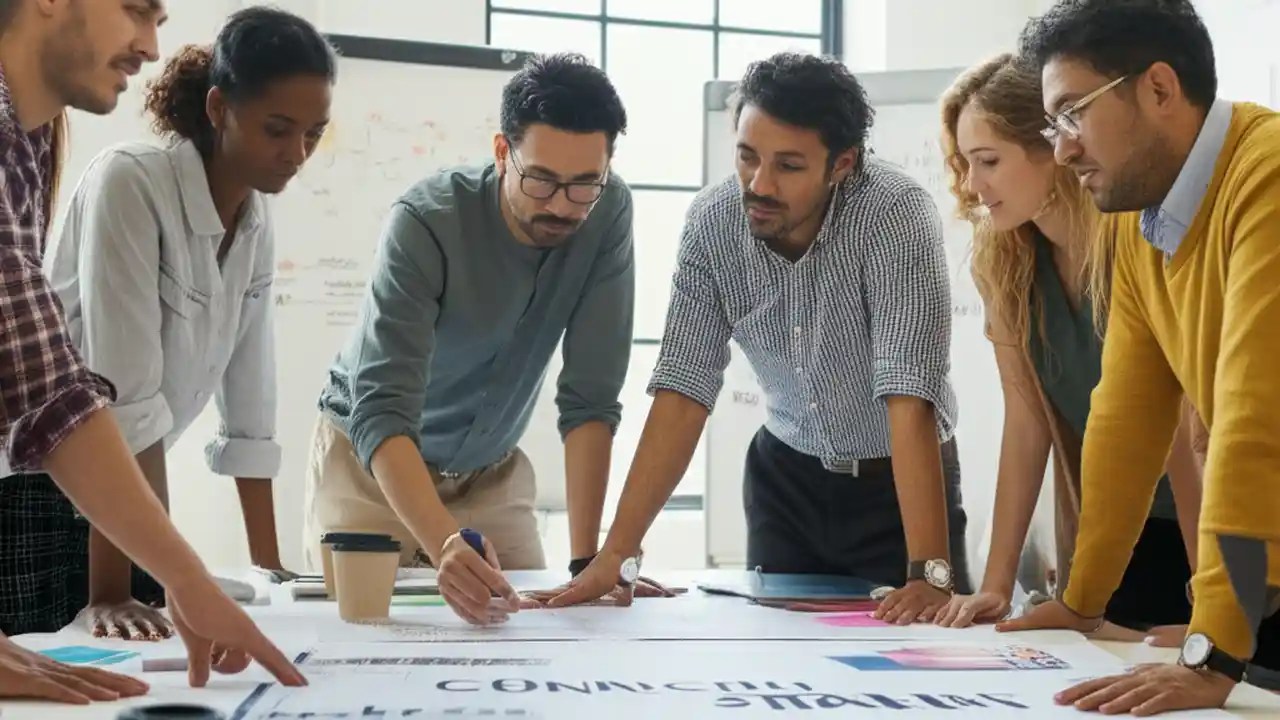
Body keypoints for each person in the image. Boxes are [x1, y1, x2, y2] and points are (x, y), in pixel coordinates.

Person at [530, 52, 970, 625]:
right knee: (781, 662)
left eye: (788, 166)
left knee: (923, 658)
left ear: (841, 164)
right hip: (785, 483)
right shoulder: (712, 224)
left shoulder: (894, 215)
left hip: (899, 486)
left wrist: (929, 571)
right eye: (747, 156)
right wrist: (617, 553)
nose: (759, 184)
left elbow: (908, 395)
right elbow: (683, 390)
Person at [0, 0, 303, 704]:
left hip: (74, 468)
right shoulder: (120, 173)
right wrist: (180, 579)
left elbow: (42, 380)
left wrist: (193, 580)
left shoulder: (36, 135)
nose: (150, 43)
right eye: (136, 9)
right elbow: (67, 391)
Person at [304, 52, 669, 627]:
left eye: (583, 185)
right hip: (373, 471)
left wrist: (586, 561)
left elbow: (591, 397)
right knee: (361, 644)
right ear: (503, 152)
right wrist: (445, 542)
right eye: (541, 179)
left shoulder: (607, 211)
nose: (560, 205)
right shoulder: (426, 221)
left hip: (491, 477)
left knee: (541, 629)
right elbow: (382, 409)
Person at [998, 0, 1280, 715]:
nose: (1061, 149)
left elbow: (1257, 425)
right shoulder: (1141, 225)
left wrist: (1214, 645)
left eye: (1072, 114)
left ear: (1158, 88)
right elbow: (1123, 423)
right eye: (1052, 123)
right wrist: (1081, 602)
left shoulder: (1268, 177)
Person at [932, 53, 1205, 633]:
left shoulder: (1140, 240)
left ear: (1053, 150)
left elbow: (1184, 431)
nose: (972, 186)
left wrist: (1214, 606)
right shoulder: (1002, 260)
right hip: (1114, 534)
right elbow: (1026, 420)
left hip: (1211, 524)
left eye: (988, 162)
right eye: (965, 163)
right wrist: (997, 584)